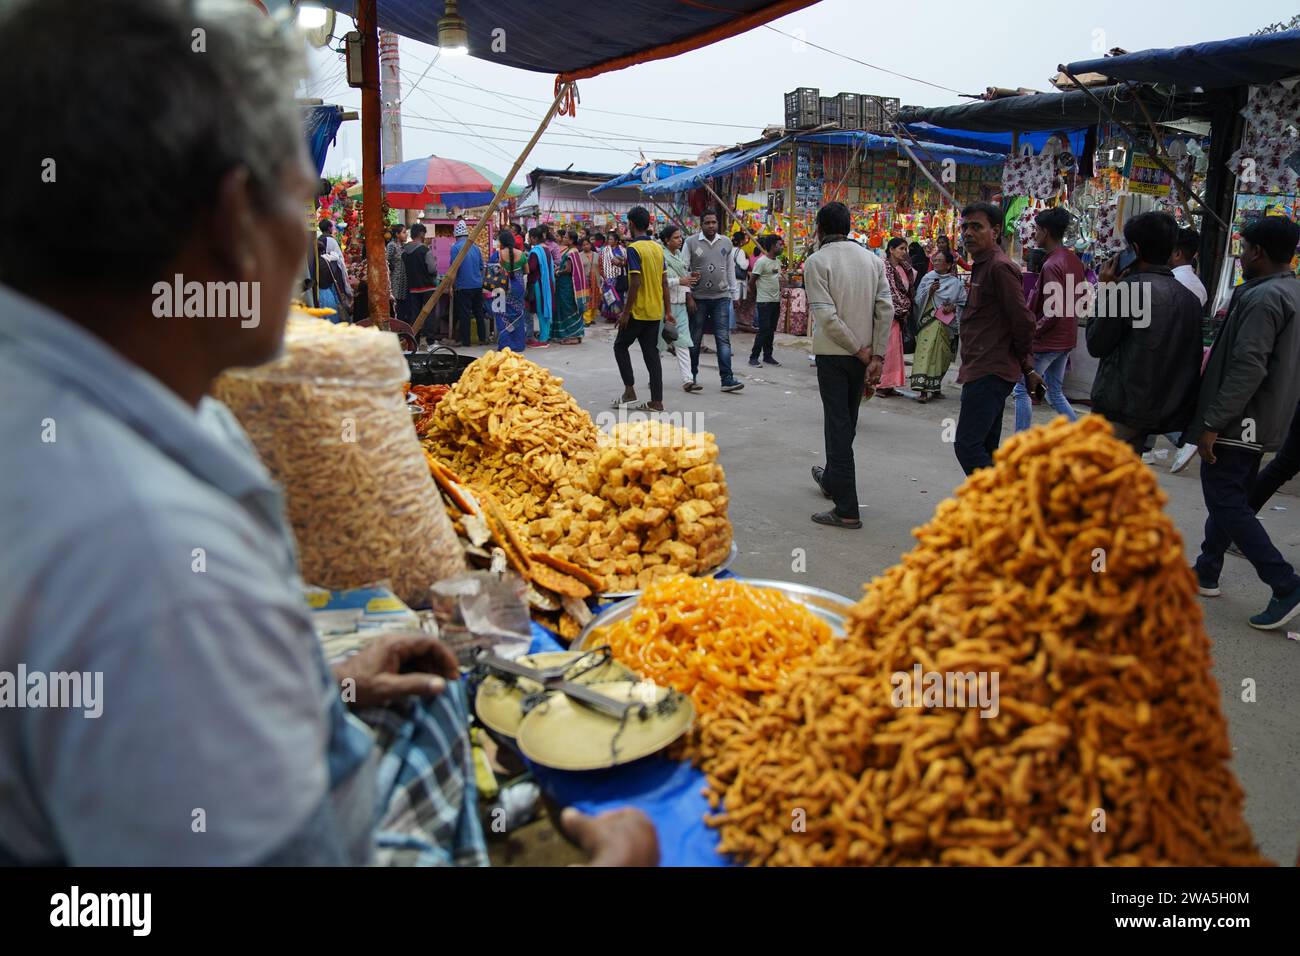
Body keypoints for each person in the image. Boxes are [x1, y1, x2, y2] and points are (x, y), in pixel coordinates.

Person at [0, 0, 657, 868]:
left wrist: (327, 688)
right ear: (237, 221)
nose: (308, 234)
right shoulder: (151, 560)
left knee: (430, 703)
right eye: (304, 200)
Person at [1187, 217, 1300, 629]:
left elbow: (1248, 366)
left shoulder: (1265, 298)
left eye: (1244, 248)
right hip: (1264, 416)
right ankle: (1207, 569)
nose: (1240, 255)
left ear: (1257, 252)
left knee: (1226, 500)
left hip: (1241, 419)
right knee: (1230, 495)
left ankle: (1285, 583)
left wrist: (1214, 421)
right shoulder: (1287, 290)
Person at [805, 202, 895, 529]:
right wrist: (876, 355)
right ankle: (832, 479)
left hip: (835, 354)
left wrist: (860, 351)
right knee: (847, 422)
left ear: (819, 229)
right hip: (864, 355)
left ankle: (846, 508)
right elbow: (886, 310)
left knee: (838, 426)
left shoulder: (817, 261)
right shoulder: (873, 260)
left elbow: (826, 317)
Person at [1085, 211, 1202, 454]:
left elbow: (1096, 343)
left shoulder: (1129, 291)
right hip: (1158, 410)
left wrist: (1106, 290)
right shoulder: (1188, 298)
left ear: (1135, 249)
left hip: (1120, 409)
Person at [953, 202, 1040, 475]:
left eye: (976, 227)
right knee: (986, 446)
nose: (967, 233)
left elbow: (1023, 320)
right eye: (965, 227)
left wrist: (1028, 366)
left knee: (967, 445)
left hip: (990, 369)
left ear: (996, 231)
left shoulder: (999, 268)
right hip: (982, 365)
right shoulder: (982, 265)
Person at [1012, 207, 1086, 432]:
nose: (1034, 234)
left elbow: (1053, 310)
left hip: (1050, 339)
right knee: (1054, 391)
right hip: (1066, 335)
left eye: (1036, 229)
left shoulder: (1052, 264)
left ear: (1045, 231)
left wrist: (1033, 330)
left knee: (1022, 389)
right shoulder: (1072, 259)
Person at [611, 207, 670, 412]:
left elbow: (635, 282)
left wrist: (625, 312)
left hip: (638, 310)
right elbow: (664, 282)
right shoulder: (657, 248)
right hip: (655, 310)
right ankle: (657, 401)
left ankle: (629, 391)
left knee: (620, 346)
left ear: (632, 224)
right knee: (651, 355)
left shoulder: (634, 249)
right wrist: (668, 311)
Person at [685, 213, 744, 392]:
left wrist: (735, 296)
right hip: (698, 299)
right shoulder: (691, 242)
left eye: (714, 222)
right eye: (707, 222)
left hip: (721, 297)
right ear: (701, 224)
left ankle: (727, 379)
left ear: (717, 223)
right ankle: (691, 377)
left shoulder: (726, 242)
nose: (711, 225)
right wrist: (688, 296)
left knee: (723, 339)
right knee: (695, 339)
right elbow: (683, 268)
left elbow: (730, 270)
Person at [909, 248, 965, 402]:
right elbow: (918, 299)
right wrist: (930, 292)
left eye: (940, 261)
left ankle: (935, 387)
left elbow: (963, 302)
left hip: (946, 325)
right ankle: (922, 390)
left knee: (942, 355)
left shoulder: (955, 283)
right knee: (925, 353)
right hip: (928, 321)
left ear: (948, 265)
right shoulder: (928, 278)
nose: (936, 263)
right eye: (935, 260)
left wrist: (953, 307)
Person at [660, 223, 700, 392]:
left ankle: (688, 380)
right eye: (676, 238)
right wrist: (680, 281)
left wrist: (689, 282)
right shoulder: (660, 257)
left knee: (682, 343)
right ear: (666, 240)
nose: (680, 240)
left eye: (680, 237)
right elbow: (659, 282)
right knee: (658, 345)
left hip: (680, 305)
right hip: (663, 306)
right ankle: (654, 377)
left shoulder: (679, 258)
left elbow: (683, 279)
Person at [877, 238, 913, 396]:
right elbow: (888, 292)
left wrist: (904, 308)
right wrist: (900, 307)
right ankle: (881, 384)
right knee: (887, 349)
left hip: (899, 315)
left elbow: (907, 291)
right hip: (886, 313)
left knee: (895, 350)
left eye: (906, 249)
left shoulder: (905, 268)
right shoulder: (883, 266)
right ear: (891, 250)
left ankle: (890, 384)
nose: (904, 252)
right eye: (901, 248)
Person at [748, 235, 784, 367]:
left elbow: (775, 279)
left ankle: (768, 356)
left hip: (775, 301)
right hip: (764, 301)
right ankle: (753, 357)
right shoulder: (762, 262)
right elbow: (752, 281)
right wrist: (758, 295)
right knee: (763, 330)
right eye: (779, 245)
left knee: (770, 330)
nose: (781, 247)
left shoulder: (777, 262)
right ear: (773, 246)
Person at [450, 219, 486, 347]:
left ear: (456, 236)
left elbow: (454, 269)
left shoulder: (455, 248)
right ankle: (482, 338)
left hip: (463, 286)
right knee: (478, 312)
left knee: (464, 314)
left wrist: (452, 286)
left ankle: (466, 341)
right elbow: (482, 267)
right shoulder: (475, 247)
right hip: (477, 285)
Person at [492, 230, 528, 353]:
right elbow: (526, 271)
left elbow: (491, 271)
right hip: (517, 286)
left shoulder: (497, 255)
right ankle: (518, 344)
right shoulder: (522, 255)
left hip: (500, 287)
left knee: (501, 314)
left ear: (501, 242)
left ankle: (505, 344)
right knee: (518, 313)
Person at [403, 223, 439, 344]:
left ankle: (415, 340)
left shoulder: (405, 252)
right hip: (427, 287)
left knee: (415, 314)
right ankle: (430, 341)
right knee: (429, 314)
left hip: (413, 287)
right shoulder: (424, 250)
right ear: (421, 234)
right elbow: (432, 269)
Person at [552, 230, 585, 345]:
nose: (564, 239)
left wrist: (558, 272)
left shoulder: (572, 252)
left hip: (567, 285)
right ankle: (569, 334)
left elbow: (568, 269)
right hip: (564, 284)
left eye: (566, 237)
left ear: (571, 240)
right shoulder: (570, 250)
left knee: (568, 308)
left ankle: (574, 336)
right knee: (565, 307)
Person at [525, 225, 555, 348]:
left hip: (538, 283)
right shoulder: (547, 249)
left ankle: (543, 339)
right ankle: (545, 335)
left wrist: (523, 264)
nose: (529, 241)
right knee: (545, 308)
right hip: (547, 282)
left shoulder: (536, 251)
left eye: (529, 238)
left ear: (534, 238)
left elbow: (531, 268)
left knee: (541, 309)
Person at [599, 231, 627, 322]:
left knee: (619, 296)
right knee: (609, 296)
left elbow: (626, 262)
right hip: (608, 277)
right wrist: (603, 275)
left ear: (616, 241)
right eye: (609, 239)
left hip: (619, 276)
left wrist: (620, 262)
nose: (609, 241)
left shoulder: (622, 250)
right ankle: (610, 316)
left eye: (611, 239)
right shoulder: (604, 250)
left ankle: (618, 315)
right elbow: (601, 262)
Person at [731, 230, 755, 331]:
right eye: (744, 239)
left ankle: (732, 323)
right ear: (741, 241)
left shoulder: (729, 250)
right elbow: (744, 266)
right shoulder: (739, 252)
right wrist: (747, 259)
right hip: (738, 281)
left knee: (731, 302)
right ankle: (732, 325)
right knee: (736, 303)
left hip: (731, 279)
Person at [386, 223, 409, 323]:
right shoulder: (391, 245)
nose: (406, 235)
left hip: (403, 282)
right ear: (397, 234)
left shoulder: (403, 246)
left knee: (402, 307)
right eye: (404, 233)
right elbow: (387, 261)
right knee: (396, 305)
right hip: (395, 281)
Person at [578, 237, 599, 325]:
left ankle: (592, 317)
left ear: (590, 245)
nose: (586, 246)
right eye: (584, 245)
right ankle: (587, 319)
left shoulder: (597, 255)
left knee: (595, 299)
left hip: (596, 281)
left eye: (587, 244)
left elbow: (600, 267)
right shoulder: (579, 255)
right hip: (585, 281)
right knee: (587, 300)